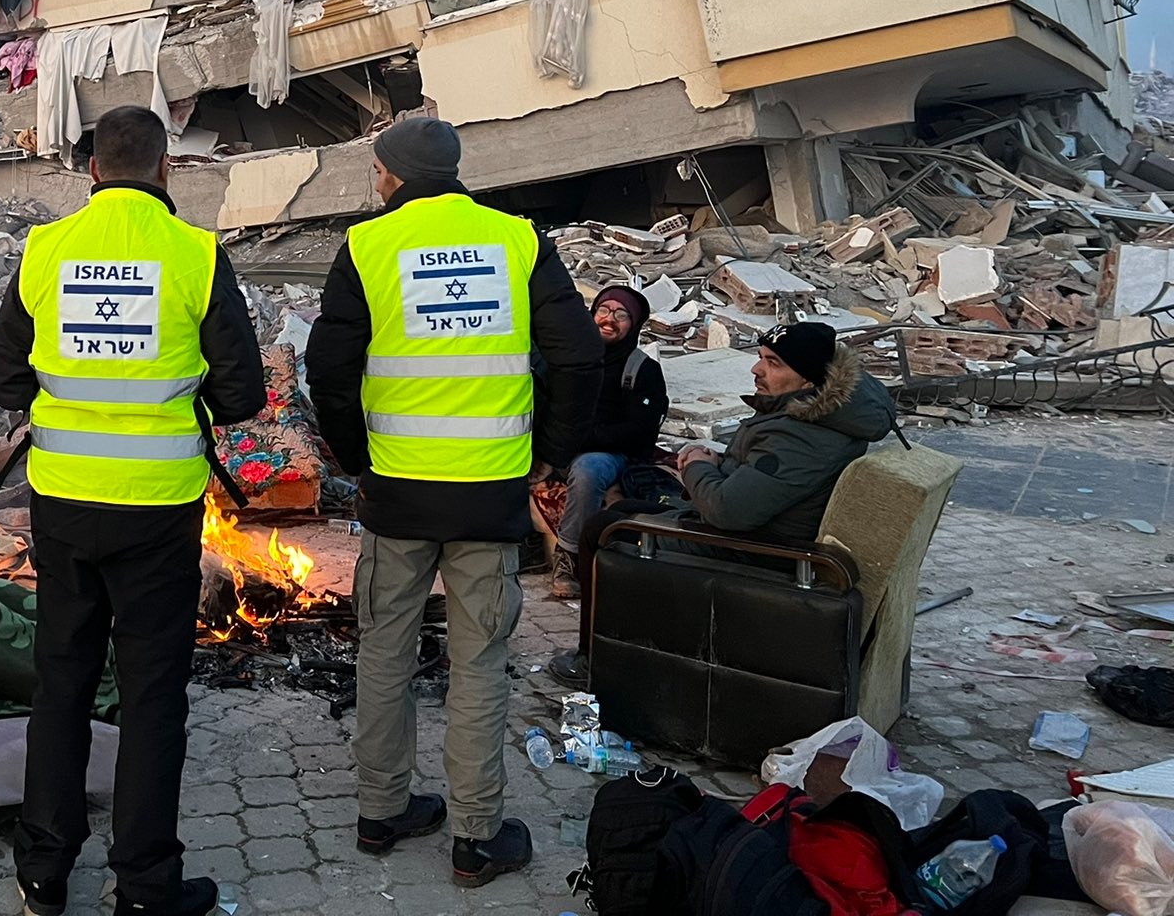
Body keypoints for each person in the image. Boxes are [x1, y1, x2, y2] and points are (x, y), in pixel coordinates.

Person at [307, 117, 602, 889]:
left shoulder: (368, 247)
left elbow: (329, 369)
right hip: (487, 492)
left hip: (397, 490)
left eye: (375, 170)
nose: (374, 181)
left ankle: (381, 811)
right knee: (480, 661)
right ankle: (476, 837)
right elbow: (576, 353)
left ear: (392, 174)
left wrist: (358, 459)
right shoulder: (517, 241)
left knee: (384, 651)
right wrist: (554, 453)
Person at [0, 105, 268, 916]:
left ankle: (43, 870)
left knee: (63, 682)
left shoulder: (47, 249)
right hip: (155, 509)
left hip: (65, 505)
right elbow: (243, 391)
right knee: (153, 697)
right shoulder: (194, 254)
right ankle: (145, 886)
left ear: (92, 171)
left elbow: (9, 379)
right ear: (166, 169)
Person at [549, 319, 896, 686]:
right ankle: (599, 649)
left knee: (603, 530)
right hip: (753, 527)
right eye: (760, 357)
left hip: (749, 548)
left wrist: (697, 466)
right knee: (621, 510)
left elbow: (728, 511)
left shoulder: (804, 436)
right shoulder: (812, 415)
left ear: (809, 380)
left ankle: (594, 659)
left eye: (774, 363)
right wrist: (716, 465)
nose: (756, 369)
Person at [548, 285, 670, 598]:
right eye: (603, 310)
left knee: (589, 469)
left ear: (636, 324)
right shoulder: (571, 359)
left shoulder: (642, 369)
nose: (609, 319)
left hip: (610, 454)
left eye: (621, 314)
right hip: (562, 445)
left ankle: (570, 556)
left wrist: (580, 440)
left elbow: (639, 429)